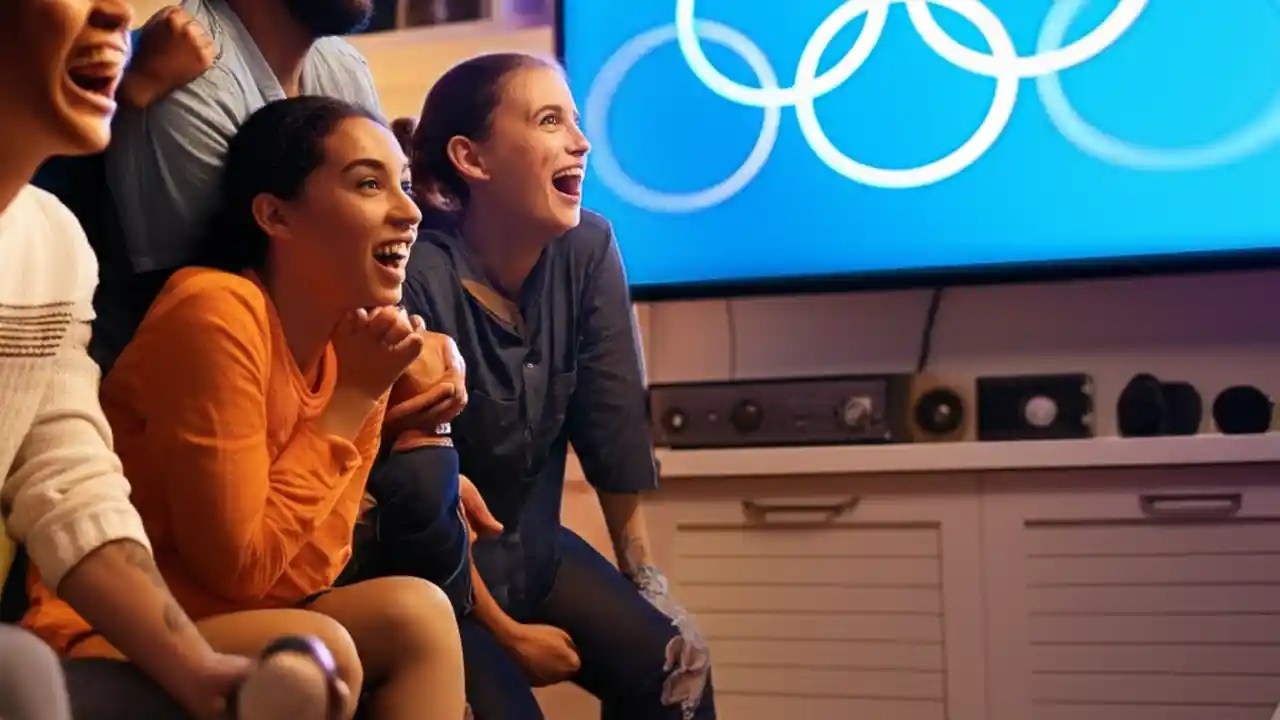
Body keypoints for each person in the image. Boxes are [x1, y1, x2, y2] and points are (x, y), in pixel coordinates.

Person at [23, 95, 468, 720]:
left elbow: (311, 571)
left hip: (239, 615)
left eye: (404, 185)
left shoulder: (354, 348)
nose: (409, 211)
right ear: (275, 216)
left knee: (418, 612)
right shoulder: (215, 310)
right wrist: (355, 400)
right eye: (370, 184)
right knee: (323, 646)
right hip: (119, 631)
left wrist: (361, 395)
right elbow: (243, 568)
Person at [0, 2, 359, 719]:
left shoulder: (52, 245)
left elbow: (68, 484)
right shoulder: (212, 308)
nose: (113, 10)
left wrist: (197, 671)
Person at [390, 53, 715, 719]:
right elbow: (417, 493)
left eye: (575, 120)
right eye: (548, 121)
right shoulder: (416, 276)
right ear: (471, 159)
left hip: (537, 557)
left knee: (677, 673)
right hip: (434, 580)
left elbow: (612, 422)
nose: (582, 142)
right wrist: (508, 637)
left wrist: (646, 580)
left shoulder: (587, 248)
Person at [92, 0, 384, 369]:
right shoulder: (191, 81)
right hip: (219, 374)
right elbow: (204, 325)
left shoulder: (345, 66)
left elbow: (382, 249)